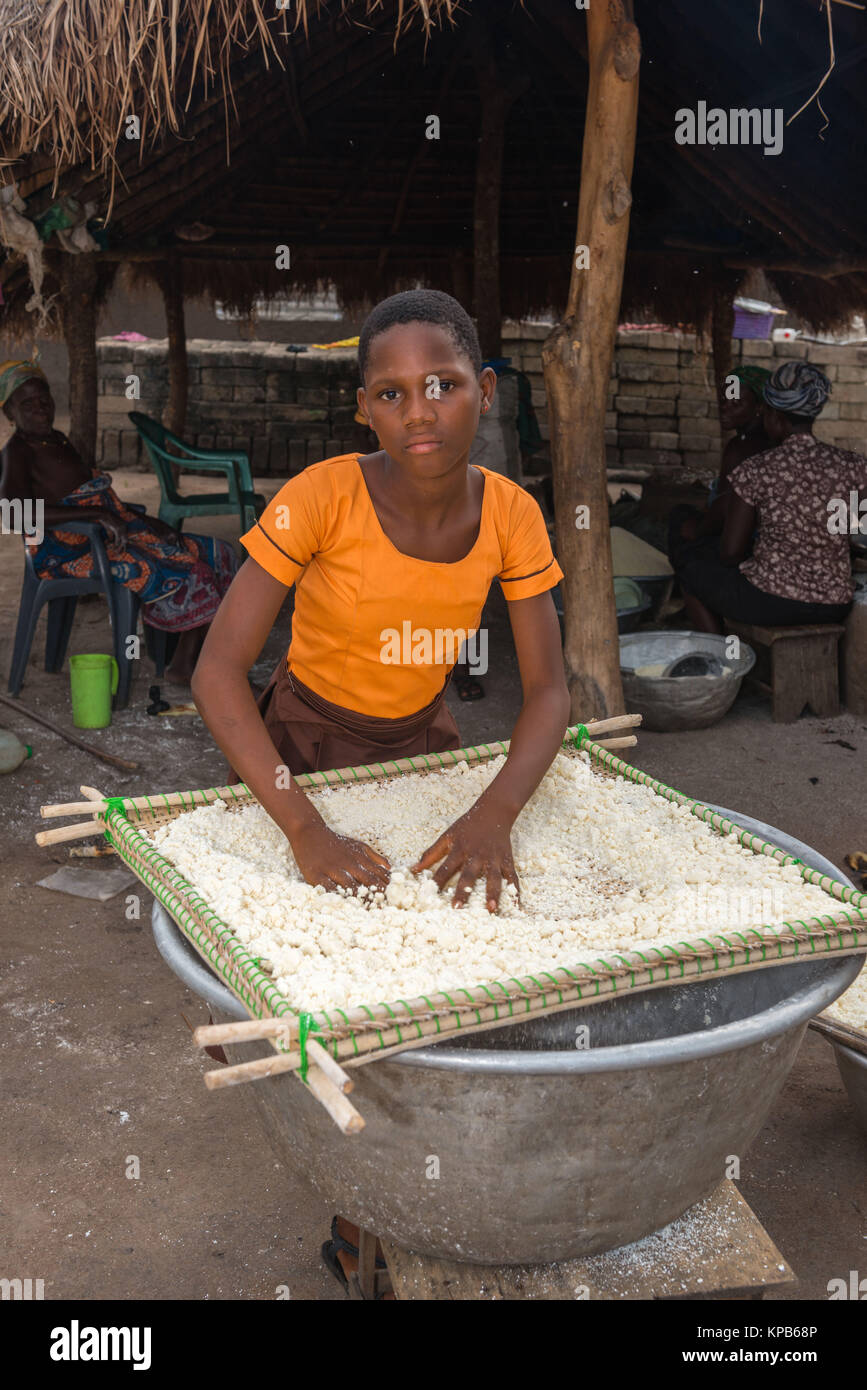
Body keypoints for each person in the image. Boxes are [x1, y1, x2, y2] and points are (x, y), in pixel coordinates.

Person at [191, 288, 570, 1293]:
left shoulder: (514, 514)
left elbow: (551, 692)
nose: (420, 411)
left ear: (484, 394)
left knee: (428, 976)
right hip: (305, 750)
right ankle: (360, 1219)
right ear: (364, 408)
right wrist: (305, 827)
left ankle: (411, 1191)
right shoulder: (320, 496)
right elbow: (218, 672)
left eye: (444, 385)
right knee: (332, 986)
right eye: (393, 391)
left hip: (425, 750)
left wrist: (492, 812)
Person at [0, 360, 239, 685]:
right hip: (69, 551)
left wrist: (150, 522)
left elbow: (100, 502)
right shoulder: (17, 452)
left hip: (105, 534)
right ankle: (187, 666)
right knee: (185, 566)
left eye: (44, 400)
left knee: (217, 552)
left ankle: (190, 658)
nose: (40, 409)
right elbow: (15, 514)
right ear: (10, 413)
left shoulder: (56, 439)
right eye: (27, 404)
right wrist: (95, 516)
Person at [671, 361, 867, 634]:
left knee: (690, 569)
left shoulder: (755, 469)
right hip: (836, 601)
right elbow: (857, 534)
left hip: (771, 602)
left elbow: (730, 553)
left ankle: (721, 661)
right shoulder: (854, 466)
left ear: (774, 415)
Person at [670, 365, 772, 547]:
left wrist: (697, 530)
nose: (725, 409)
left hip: (742, 543)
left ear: (759, 407)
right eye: (724, 401)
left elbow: (725, 507)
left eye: (736, 404)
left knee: (679, 517)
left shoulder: (739, 448)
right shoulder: (770, 440)